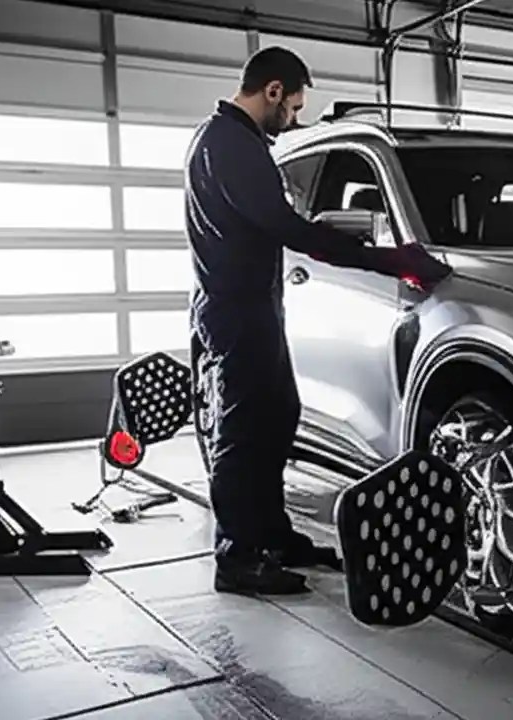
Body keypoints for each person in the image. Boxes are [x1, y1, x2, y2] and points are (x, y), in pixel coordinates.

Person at [185, 46, 451, 595]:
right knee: (243, 434)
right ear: (274, 90)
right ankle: (236, 556)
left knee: (279, 417)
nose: (294, 120)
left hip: (253, 306)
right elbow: (292, 229)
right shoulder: (229, 144)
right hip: (236, 311)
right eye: (293, 108)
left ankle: (273, 535)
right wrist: (388, 259)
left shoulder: (236, 141)